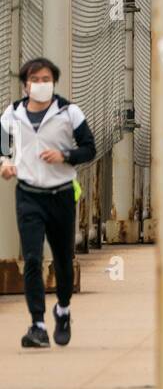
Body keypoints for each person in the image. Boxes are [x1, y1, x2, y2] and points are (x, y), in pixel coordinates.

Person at [0, 57, 96, 349]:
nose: (40, 85)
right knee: (31, 258)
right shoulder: (12, 114)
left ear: (54, 82)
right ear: (25, 84)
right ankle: (37, 325)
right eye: (34, 80)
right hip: (29, 194)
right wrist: (4, 164)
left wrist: (64, 156)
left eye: (45, 80)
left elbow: (88, 148)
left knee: (63, 261)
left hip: (62, 194)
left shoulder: (69, 112)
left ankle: (63, 310)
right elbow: (3, 147)